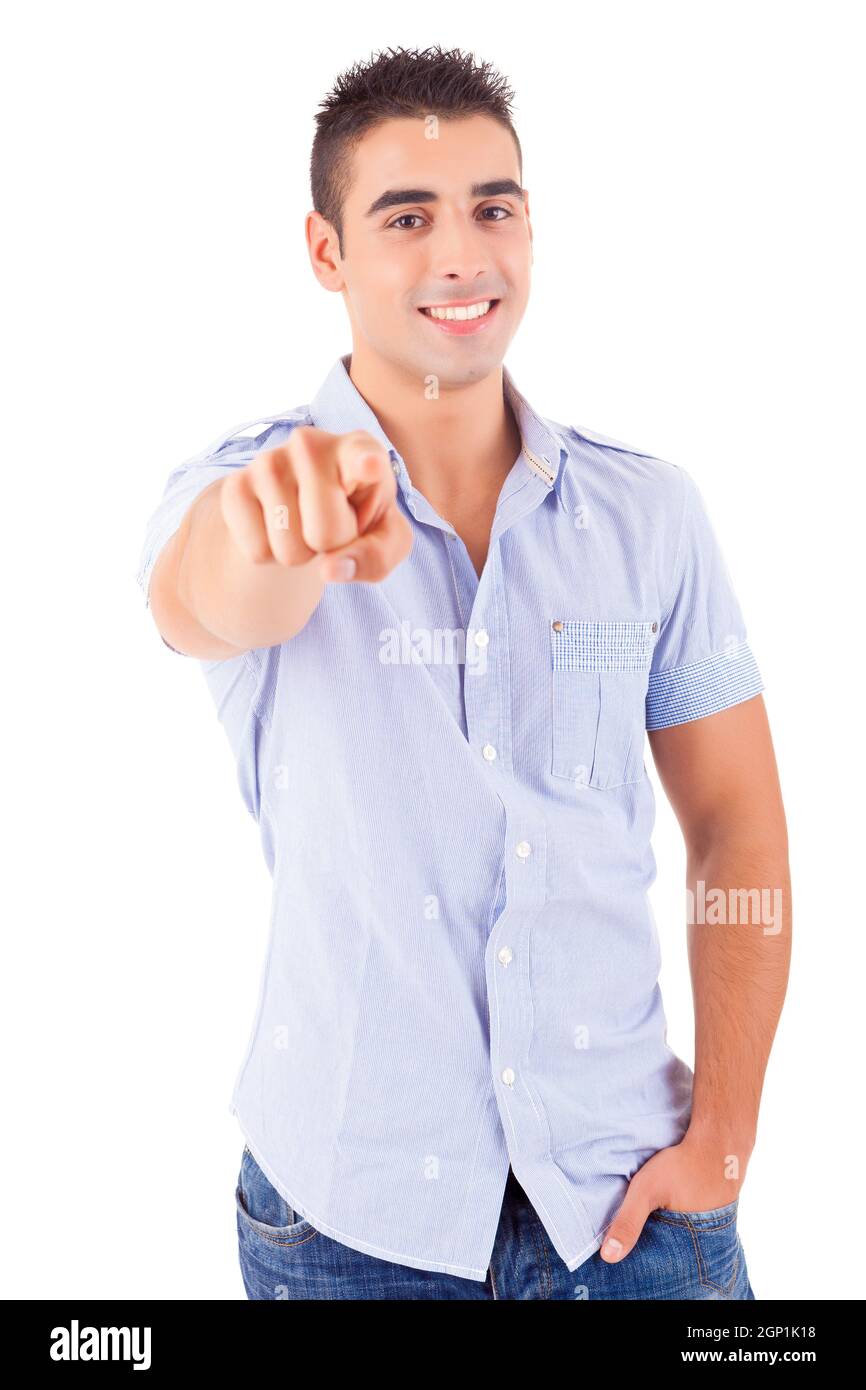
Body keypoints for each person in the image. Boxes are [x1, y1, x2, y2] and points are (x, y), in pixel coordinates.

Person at [136, 45, 790, 1301]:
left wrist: (724, 1136)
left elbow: (735, 827)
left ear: (529, 228)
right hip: (344, 1230)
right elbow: (211, 591)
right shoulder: (246, 489)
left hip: (631, 1211)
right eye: (406, 216)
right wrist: (276, 526)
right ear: (325, 253)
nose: (460, 254)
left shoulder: (648, 514)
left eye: (492, 207)